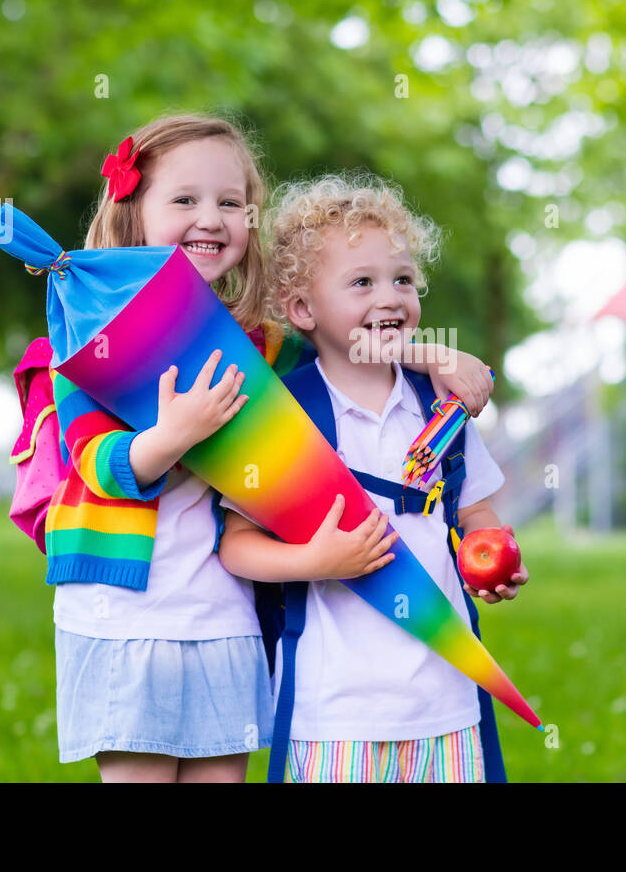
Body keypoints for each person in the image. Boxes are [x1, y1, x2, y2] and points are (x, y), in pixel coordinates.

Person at [45, 115, 494, 782]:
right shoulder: (94, 332)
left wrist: (435, 353)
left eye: (231, 203)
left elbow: (349, 346)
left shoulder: (264, 345)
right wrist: (173, 437)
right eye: (185, 200)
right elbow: (93, 464)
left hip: (226, 612)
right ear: (133, 209)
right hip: (125, 614)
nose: (211, 217)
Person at [218, 172, 528, 782]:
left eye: (403, 280)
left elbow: (474, 515)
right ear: (302, 308)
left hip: (448, 701)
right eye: (362, 282)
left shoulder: (439, 404)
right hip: (333, 714)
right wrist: (315, 561)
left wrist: (490, 558)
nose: (390, 298)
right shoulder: (283, 418)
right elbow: (235, 544)